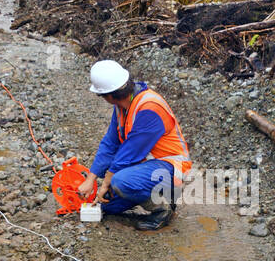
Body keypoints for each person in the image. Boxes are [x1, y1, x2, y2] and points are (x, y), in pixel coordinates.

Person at [77, 59, 191, 231]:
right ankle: (148, 194)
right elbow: (110, 143)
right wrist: (91, 179)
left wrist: (106, 181)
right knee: (107, 204)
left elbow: (131, 152)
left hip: (170, 167)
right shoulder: (121, 106)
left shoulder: (150, 108)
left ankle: (162, 207)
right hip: (147, 165)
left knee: (120, 182)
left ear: (108, 96)